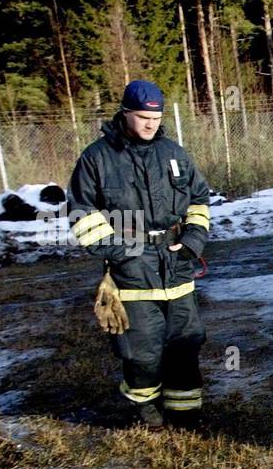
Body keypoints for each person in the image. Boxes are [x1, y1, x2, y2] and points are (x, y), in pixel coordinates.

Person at [66, 80, 212, 430]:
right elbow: (81, 213)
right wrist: (122, 253)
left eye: (156, 116)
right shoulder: (97, 158)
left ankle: (185, 411)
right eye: (143, 116)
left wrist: (192, 242)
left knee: (185, 343)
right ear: (125, 113)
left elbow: (200, 200)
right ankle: (145, 410)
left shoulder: (174, 153)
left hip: (176, 264)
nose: (150, 123)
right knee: (140, 349)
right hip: (131, 271)